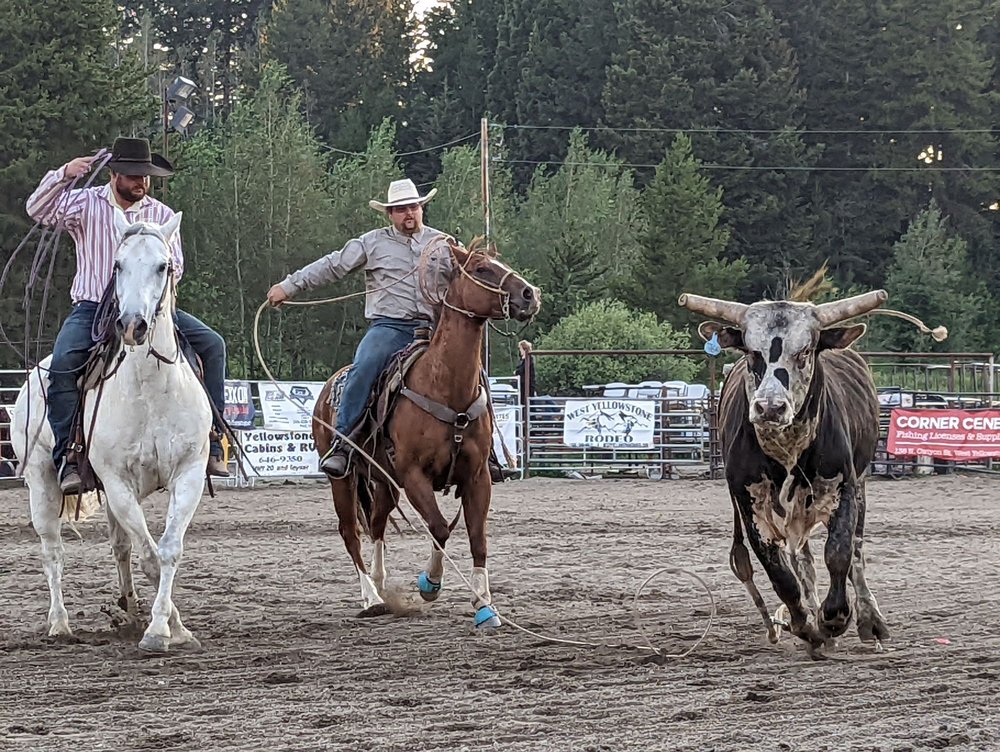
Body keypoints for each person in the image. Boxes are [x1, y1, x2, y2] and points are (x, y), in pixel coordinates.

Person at [26, 137, 230, 494]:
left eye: (146, 176)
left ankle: (214, 438)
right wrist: (64, 174)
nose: (141, 182)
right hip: (93, 306)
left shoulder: (162, 216)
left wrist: (151, 290)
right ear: (115, 174)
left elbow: (176, 267)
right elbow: (38, 209)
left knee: (213, 345)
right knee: (63, 364)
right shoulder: (85, 203)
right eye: (134, 175)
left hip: (151, 309)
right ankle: (69, 456)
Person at [267, 178, 455, 478]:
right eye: (401, 209)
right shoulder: (372, 242)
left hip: (437, 329)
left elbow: (471, 275)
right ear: (390, 214)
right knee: (365, 367)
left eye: (413, 206)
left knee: (473, 373)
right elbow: (332, 265)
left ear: (421, 208)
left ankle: (487, 452)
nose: (409, 213)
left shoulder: (444, 245)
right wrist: (290, 286)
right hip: (391, 327)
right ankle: (343, 444)